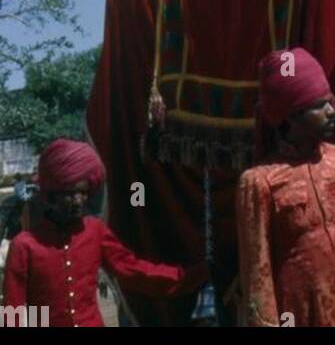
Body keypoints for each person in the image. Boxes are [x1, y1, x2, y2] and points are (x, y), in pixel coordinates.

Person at [235, 49, 335, 328]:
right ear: (291, 116)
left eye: (330, 101)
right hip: (302, 313)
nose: (331, 110)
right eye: (319, 105)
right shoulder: (259, 183)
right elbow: (258, 272)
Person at [1, 139, 206, 327]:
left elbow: (132, 270)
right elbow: (14, 311)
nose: (79, 200)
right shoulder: (24, 245)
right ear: (50, 195)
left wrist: (190, 276)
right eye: (71, 194)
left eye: (83, 192)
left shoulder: (94, 230)